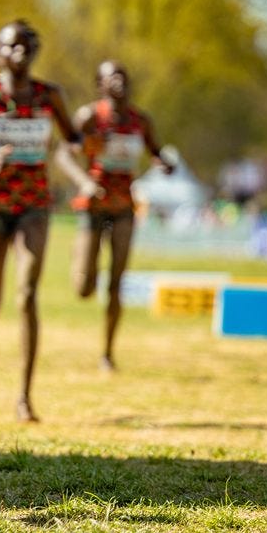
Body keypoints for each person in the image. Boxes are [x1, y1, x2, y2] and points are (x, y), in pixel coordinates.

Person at [0, 20, 95, 422]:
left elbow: (73, 139)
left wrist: (83, 144)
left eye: (27, 46)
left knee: (27, 294)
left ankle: (24, 397)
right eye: (12, 47)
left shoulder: (49, 95)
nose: (20, 53)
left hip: (33, 205)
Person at [56, 60, 174, 371]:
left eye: (123, 76)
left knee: (117, 283)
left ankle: (107, 353)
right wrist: (84, 182)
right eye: (112, 77)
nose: (119, 82)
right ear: (100, 85)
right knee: (85, 289)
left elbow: (155, 150)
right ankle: (82, 259)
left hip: (123, 208)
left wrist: (163, 162)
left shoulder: (140, 121)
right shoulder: (90, 117)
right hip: (93, 207)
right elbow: (63, 154)